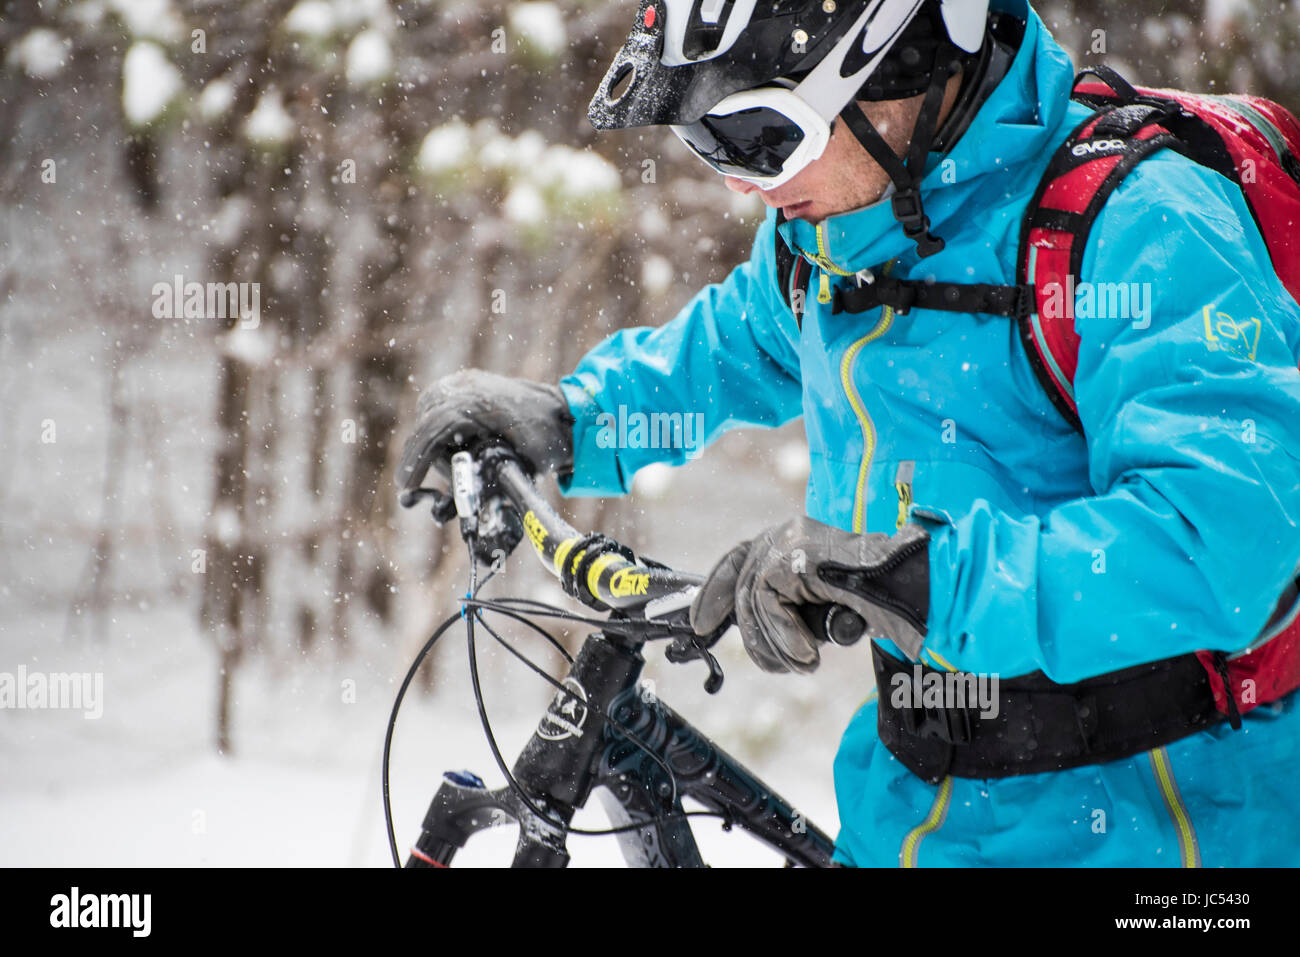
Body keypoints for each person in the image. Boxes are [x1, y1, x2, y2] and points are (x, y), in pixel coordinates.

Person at [398, 0, 1300, 866]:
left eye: (759, 136)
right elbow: (735, 345)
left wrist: (918, 579)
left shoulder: (1143, 222)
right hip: (910, 808)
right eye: (705, 142)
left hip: (1173, 821)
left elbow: (1224, 536)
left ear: (905, 64)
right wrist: (572, 418)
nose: (739, 180)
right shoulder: (838, 236)